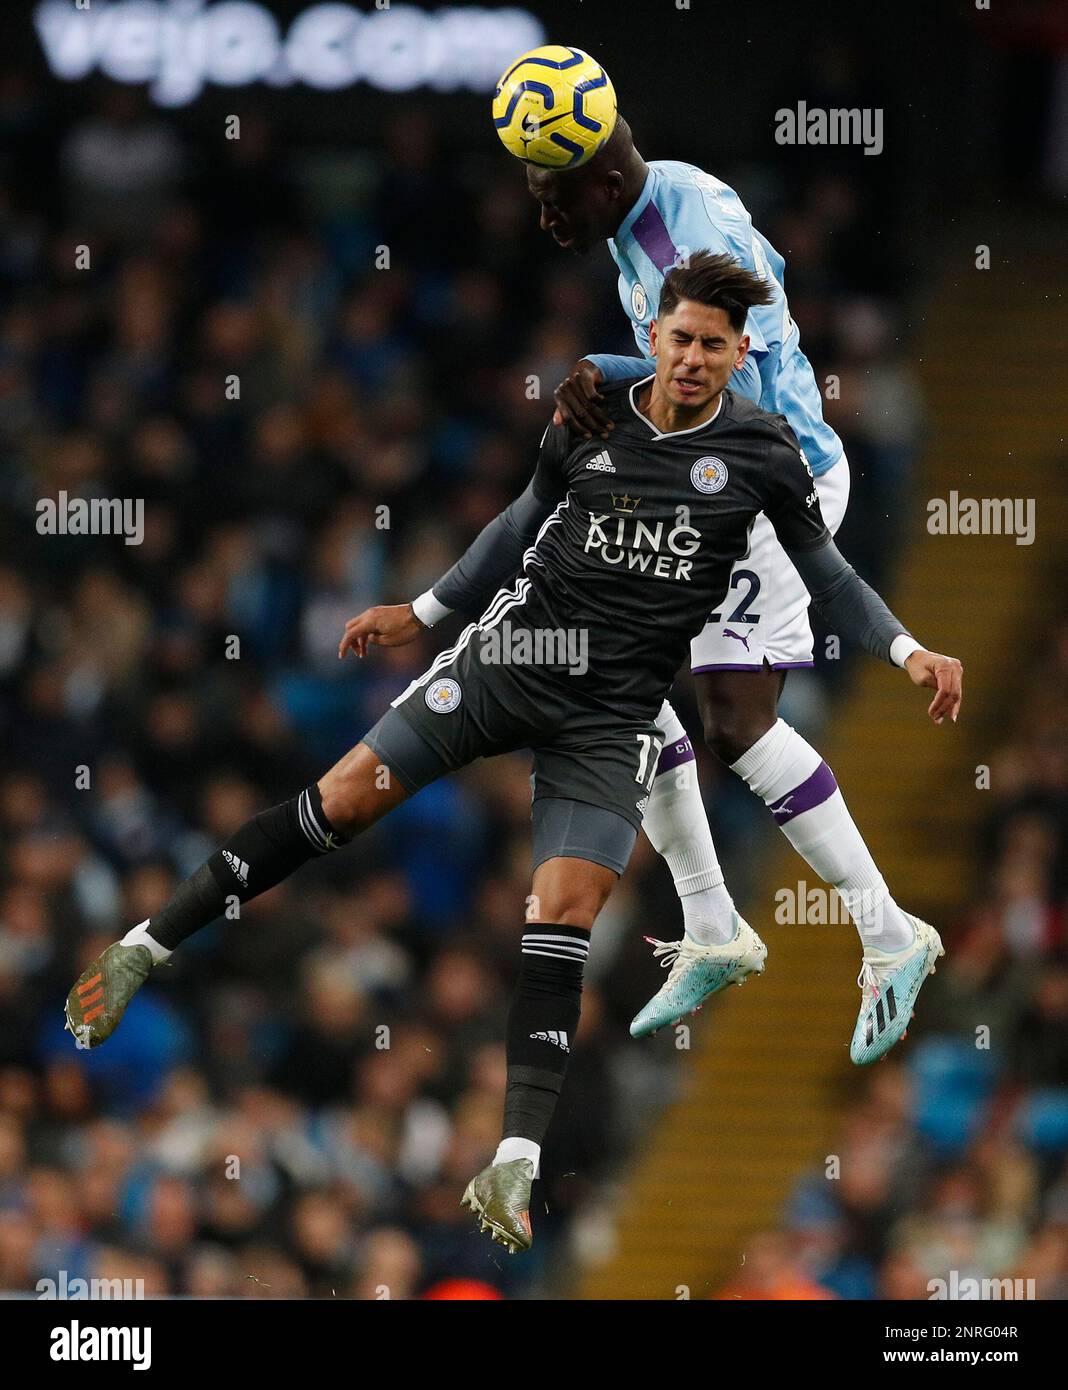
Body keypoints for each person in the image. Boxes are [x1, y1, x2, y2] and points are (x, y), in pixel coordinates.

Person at [64, 254, 959, 1255]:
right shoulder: (593, 403)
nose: (696, 357)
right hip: (508, 659)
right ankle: (145, 942)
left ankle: (516, 1158)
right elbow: (522, 519)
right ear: (653, 336)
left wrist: (909, 649)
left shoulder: (761, 454)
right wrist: (424, 610)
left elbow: (828, 576)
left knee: (564, 910)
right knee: (341, 802)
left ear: (738, 352)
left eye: (716, 343)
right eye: (681, 338)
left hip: (608, 718)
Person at [467, 111, 940, 1048]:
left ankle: (878, 935)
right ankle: (723, 925)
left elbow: (741, 376)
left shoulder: (683, 230)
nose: (542, 212)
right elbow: (763, 289)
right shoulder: (663, 195)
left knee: (720, 712)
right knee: (631, 679)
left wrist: (617, 378)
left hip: (765, 484)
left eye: (551, 193)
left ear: (600, 177)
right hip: (708, 479)